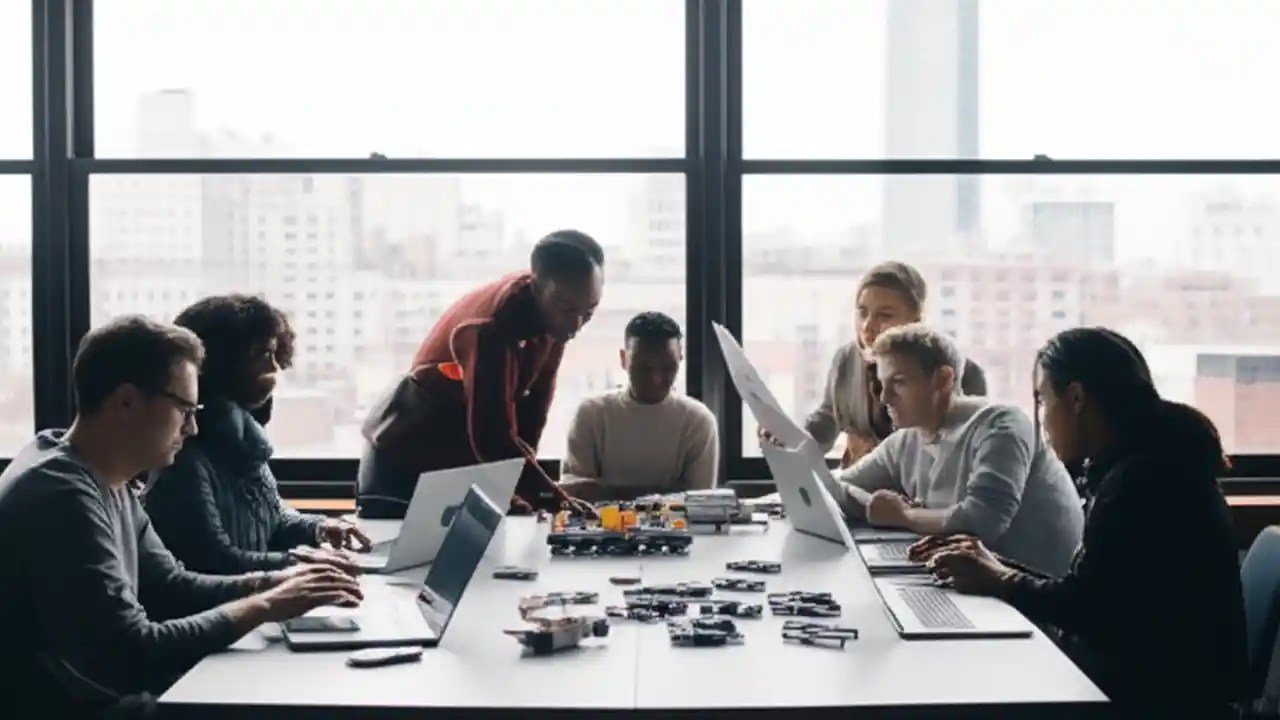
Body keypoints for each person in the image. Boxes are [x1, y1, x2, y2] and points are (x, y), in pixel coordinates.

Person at [0, 316, 362, 717]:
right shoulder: (60, 494)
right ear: (126, 402)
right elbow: (134, 653)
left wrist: (275, 582)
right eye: (184, 409)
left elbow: (170, 585)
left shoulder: (104, 475)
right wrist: (268, 604)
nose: (192, 427)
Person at [916, 327, 1248, 708]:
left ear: (1075, 398)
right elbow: (1101, 591)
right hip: (1145, 677)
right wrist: (992, 565)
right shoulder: (1140, 463)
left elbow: (1088, 608)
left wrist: (1002, 580)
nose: (1040, 419)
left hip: (1156, 697)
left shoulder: (1143, 480)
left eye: (1042, 401)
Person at [358, 230, 604, 518]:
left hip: (458, 462)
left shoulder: (554, 323)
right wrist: (551, 500)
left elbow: (531, 417)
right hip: (404, 462)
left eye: (588, 312)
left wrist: (526, 492)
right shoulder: (492, 327)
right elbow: (492, 436)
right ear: (537, 286)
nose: (575, 325)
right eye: (565, 308)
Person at [824, 323, 1082, 576]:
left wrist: (905, 515)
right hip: (978, 588)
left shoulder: (1001, 424)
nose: (885, 398)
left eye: (899, 383)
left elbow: (982, 522)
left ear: (943, 380)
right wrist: (873, 505)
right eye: (883, 384)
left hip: (1037, 603)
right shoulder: (906, 440)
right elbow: (831, 487)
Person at [144, 295, 369, 575]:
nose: (275, 367)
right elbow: (216, 562)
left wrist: (320, 528)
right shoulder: (183, 461)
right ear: (225, 361)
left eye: (277, 355)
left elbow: (273, 519)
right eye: (264, 354)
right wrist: (303, 565)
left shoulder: (246, 444)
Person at [774, 261, 987, 467]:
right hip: (854, 490)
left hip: (920, 497)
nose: (868, 326)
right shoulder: (847, 360)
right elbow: (826, 423)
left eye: (884, 315)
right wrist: (787, 438)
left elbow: (958, 455)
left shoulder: (961, 372)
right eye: (862, 312)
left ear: (916, 321)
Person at [559, 312, 718, 502]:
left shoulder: (697, 421)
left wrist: (609, 493)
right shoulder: (591, 414)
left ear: (680, 360)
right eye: (644, 369)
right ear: (623, 359)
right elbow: (576, 493)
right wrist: (667, 494)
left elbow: (700, 500)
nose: (656, 379)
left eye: (668, 368)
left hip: (677, 530)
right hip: (602, 528)